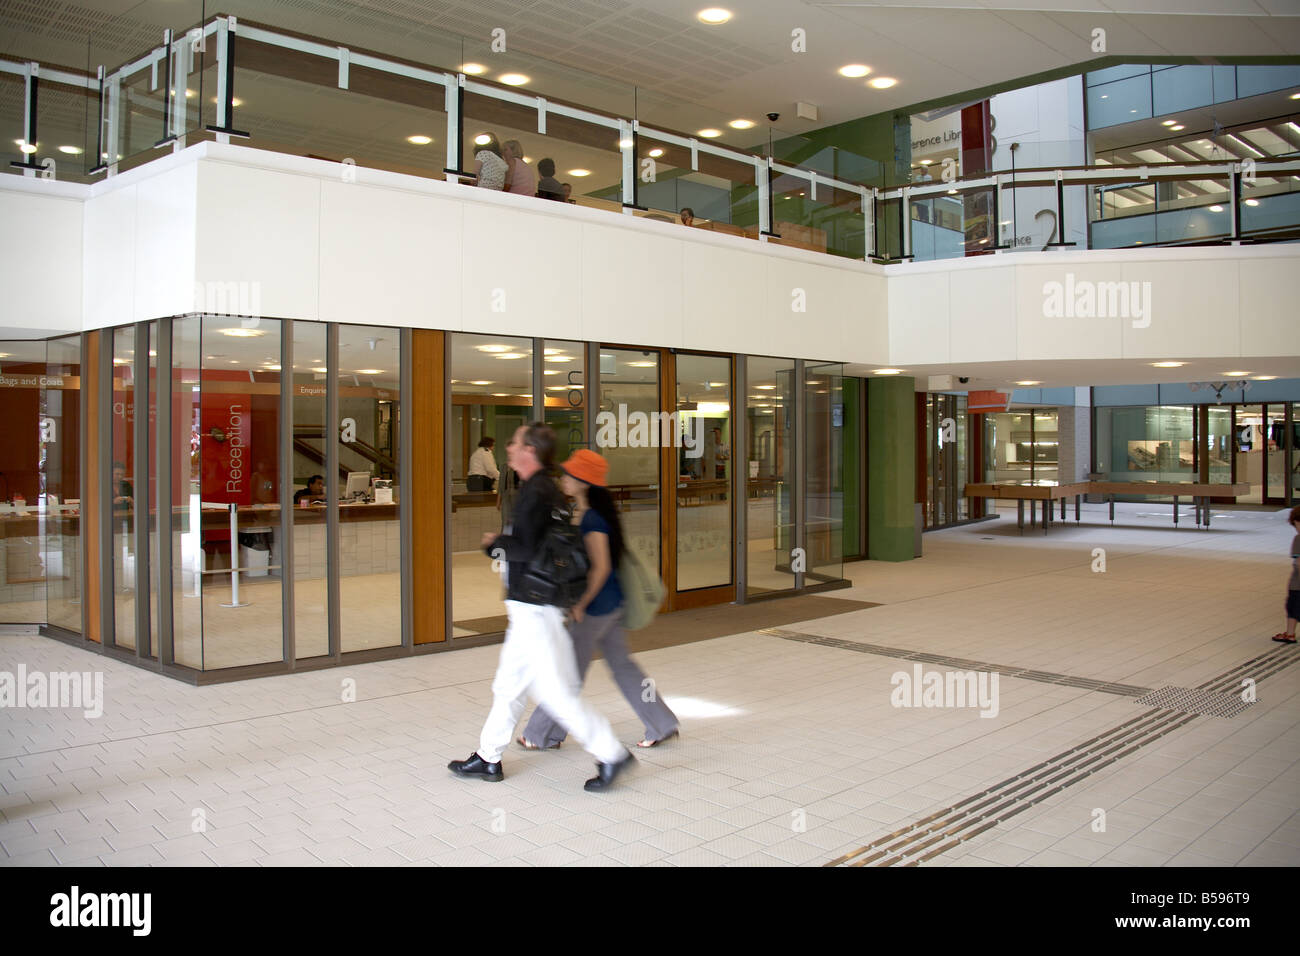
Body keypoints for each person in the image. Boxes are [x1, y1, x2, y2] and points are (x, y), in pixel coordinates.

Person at [448, 423, 635, 791]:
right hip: (528, 607)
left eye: (514, 443)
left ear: (529, 450)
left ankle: (612, 753)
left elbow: (526, 548)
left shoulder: (536, 492)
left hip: (536, 609)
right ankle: (488, 757)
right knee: (509, 687)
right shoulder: (543, 488)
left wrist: (493, 544)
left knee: (556, 694)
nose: (508, 448)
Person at [519, 449, 679, 751]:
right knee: (622, 667)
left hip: (595, 609)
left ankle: (539, 734)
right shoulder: (587, 513)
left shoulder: (592, 518)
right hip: (609, 606)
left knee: (569, 673)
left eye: (569, 475)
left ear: (584, 482)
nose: (563, 479)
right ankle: (661, 722)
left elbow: (602, 566)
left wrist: (580, 604)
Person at [1272, 504, 1300, 644]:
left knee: (1293, 609)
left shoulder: (1298, 540)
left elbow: (1299, 562)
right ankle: (1290, 634)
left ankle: (1290, 634)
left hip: (1297, 585)